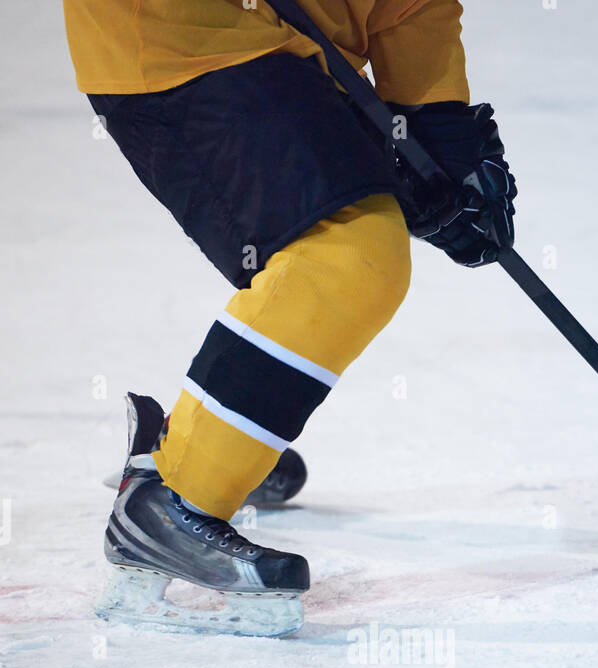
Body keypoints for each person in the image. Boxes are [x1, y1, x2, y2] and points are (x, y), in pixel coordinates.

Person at [62, 0, 517, 634]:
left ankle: (228, 441)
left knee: (314, 243)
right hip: (181, 30)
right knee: (344, 254)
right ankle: (171, 504)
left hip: (291, 49)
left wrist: (436, 123)